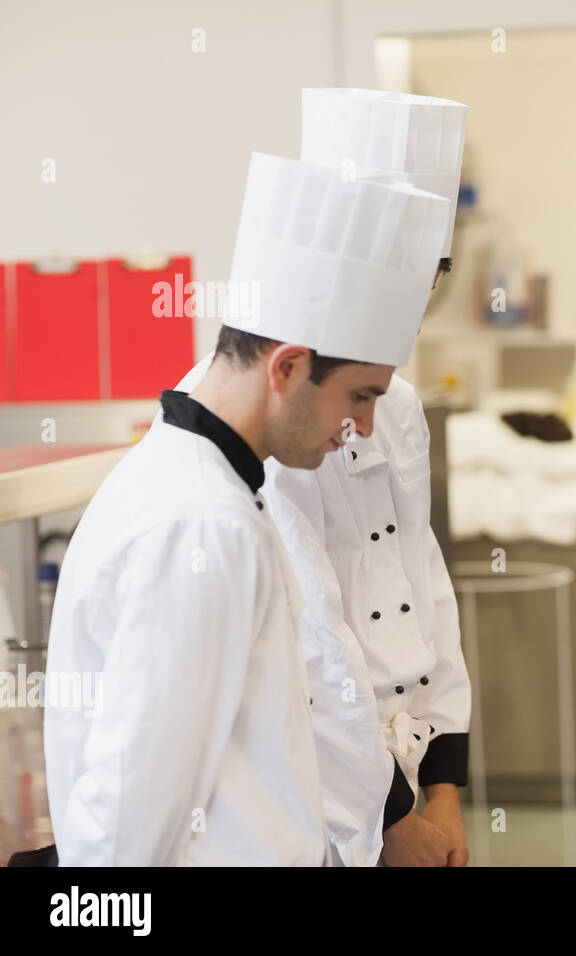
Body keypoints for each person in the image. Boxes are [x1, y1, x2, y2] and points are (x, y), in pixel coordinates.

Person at [43, 150, 451, 865]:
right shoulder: (203, 523)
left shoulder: (211, 487)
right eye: (359, 396)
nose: (360, 427)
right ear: (288, 365)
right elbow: (129, 815)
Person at [176, 88, 472, 867]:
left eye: (436, 272)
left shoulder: (393, 405)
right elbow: (312, 640)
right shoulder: (245, 426)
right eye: (415, 274)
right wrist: (391, 816)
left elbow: (422, 572)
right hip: (322, 785)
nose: (424, 300)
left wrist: (444, 782)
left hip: (404, 755)